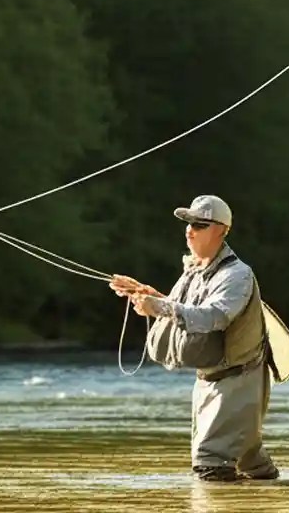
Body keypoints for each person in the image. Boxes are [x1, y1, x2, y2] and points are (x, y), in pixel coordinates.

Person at [109, 194, 279, 482]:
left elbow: (215, 316)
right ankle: (274, 498)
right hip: (211, 379)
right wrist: (147, 295)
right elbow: (185, 311)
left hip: (238, 380)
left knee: (211, 465)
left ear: (221, 230)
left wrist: (160, 306)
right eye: (188, 222)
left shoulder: (238, 274)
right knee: (252, 462)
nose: (190, 229)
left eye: (199, 224)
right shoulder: (194, 270)